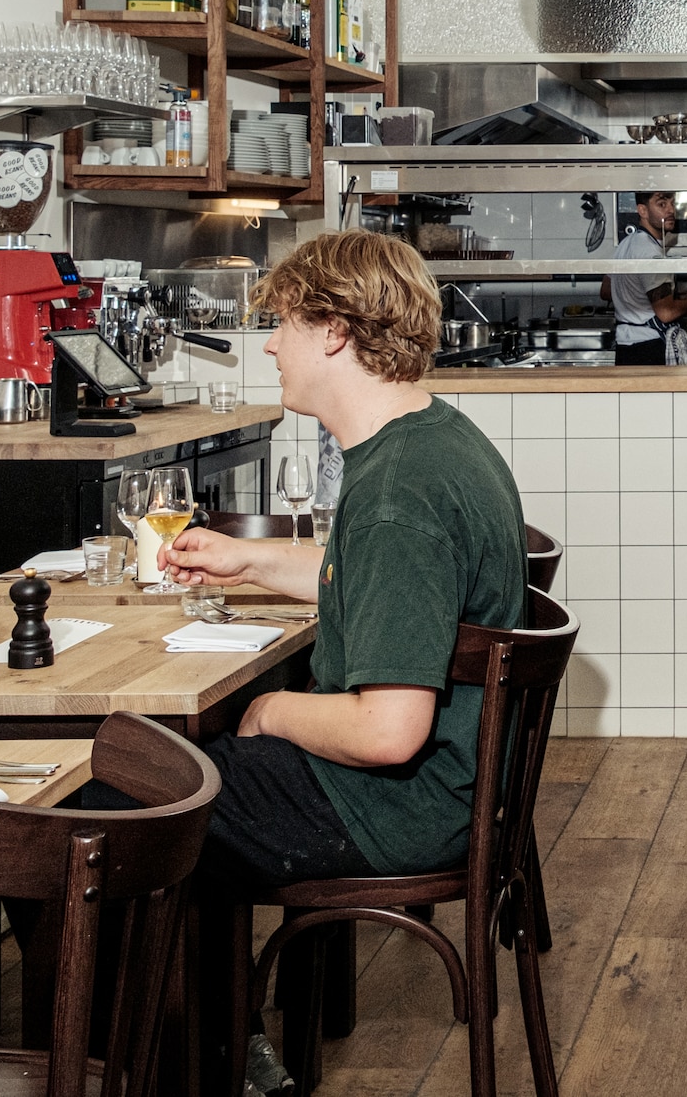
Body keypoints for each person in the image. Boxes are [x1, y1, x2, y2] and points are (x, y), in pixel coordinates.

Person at [154, 230, 526, 887]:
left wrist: (272, 712)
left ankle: (96, 992)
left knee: (108, 807)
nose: (270, 344)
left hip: (392, 808)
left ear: (332, 331)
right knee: (160, 771)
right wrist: (245, 560)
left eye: (282, 324)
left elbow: (387, 731)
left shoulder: (396, 495)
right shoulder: (432, 437)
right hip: (442, 791)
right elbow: (379, 577)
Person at [608, 189, 687, 366]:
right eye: (661, 204)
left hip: (625, 346)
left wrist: (656, 298)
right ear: (642, 211)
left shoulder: (626, 243)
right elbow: (666, 313)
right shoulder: (651, 253)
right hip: (648, 348)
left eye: (672, 204)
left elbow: (607, 290)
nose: (671, 211)